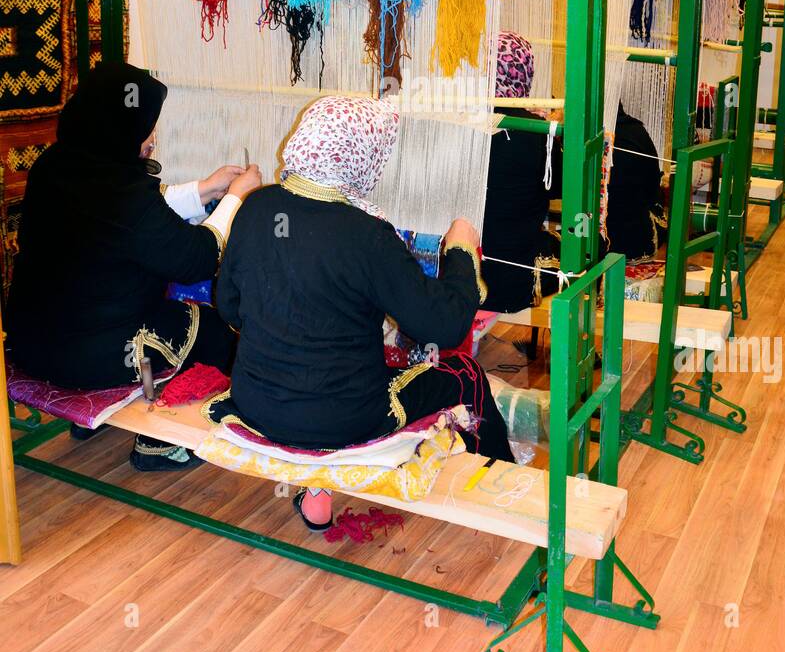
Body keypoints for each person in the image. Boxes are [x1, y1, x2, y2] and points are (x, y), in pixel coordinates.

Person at [215, 95, 514, 533]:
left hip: (256, 403)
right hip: (346, 419)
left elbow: (230, 308)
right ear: (360, 157)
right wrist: (461, 252)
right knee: (466, 374)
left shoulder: (258, 208)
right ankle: (505, 493)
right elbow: (444, 327)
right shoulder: (368, 236)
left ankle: (316, 495)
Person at [6, 62, 261, 470]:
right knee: (219, 334)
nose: (152, 140)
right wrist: (235, 199)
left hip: (31, 347)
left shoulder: (55, 165)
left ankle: (92, 414)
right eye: (147, 128)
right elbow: (195, 258)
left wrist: (206, 189)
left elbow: (133, 220)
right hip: (92, 359)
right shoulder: (124, 193)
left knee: (101, 308)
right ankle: (160, 441)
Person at [481, 32, 562, 314]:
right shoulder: (538, 132)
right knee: (591, 243)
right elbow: (560, 187)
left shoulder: (462, 122)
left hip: (462, 274)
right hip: (518, 276)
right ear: (524, 71)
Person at [605, 102, 667, 260]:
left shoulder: (588, 140)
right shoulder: (637, 131)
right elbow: (653, 183)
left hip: (607, 241)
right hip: (642, 236)